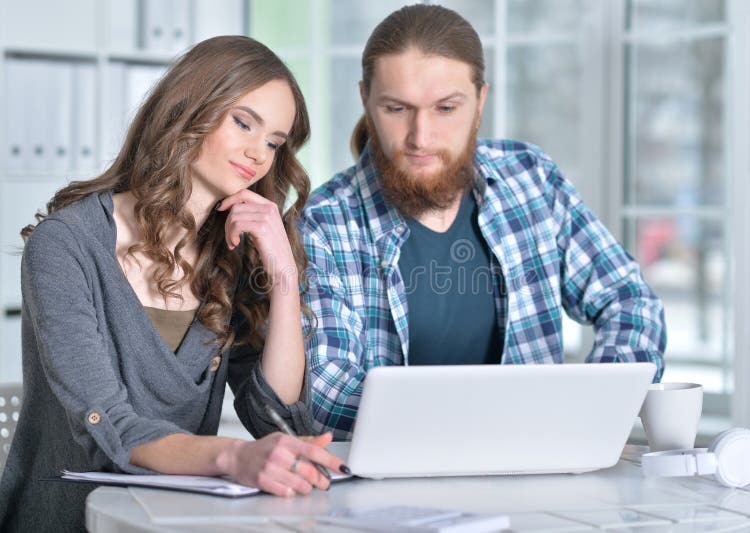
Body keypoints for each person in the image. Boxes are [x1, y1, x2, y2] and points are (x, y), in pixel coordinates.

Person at [0, 36, 348, 532]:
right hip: (72, 521)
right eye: (243, 122)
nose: (258, 153)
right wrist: (234, 458)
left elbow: (279, 422)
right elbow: (109, 427)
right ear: (189, 111)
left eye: (274, 142)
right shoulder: (66, 246)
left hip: (176, 523)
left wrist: (284, 279)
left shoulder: (232, 255)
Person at [300, 4, 667, 440]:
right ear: (366, 99)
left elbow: (630, 302)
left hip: (535, 468)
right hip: (389, 484)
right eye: (397, 108)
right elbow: (327, 391)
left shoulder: (532, 180)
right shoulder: (325, 223)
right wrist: (487, 425)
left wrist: (592, 408)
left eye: (446, 108)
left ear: (480, 102)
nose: (421, 137)